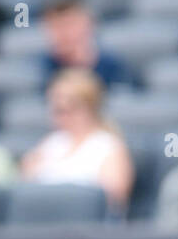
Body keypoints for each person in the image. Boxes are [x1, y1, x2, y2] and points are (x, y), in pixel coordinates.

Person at [22, 68, 134, 211]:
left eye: (64, 108)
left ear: (87, 106)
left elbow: (114, 200)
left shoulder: (109, 146)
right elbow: (25, 187)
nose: (56, 113)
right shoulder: (49, 144)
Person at [40, 0, 129, 89]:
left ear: (89, 25)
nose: (63, 33)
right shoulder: (43, 70)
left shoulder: (113, 68)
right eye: (55, 27)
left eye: (69, 25)